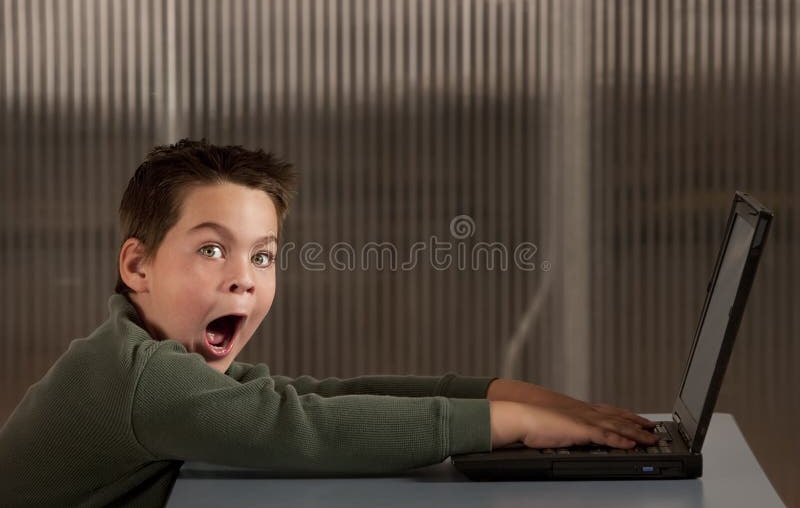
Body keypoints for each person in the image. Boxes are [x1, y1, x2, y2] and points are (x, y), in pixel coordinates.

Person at [0, 139, 658, 507]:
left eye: (263, 255)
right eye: (211, 249)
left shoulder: (146, 356)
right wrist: (509, 423)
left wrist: (496, 394)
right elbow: (294, 426)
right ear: (137, 265)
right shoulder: (138, 376)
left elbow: (309, 397)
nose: (244, 277)